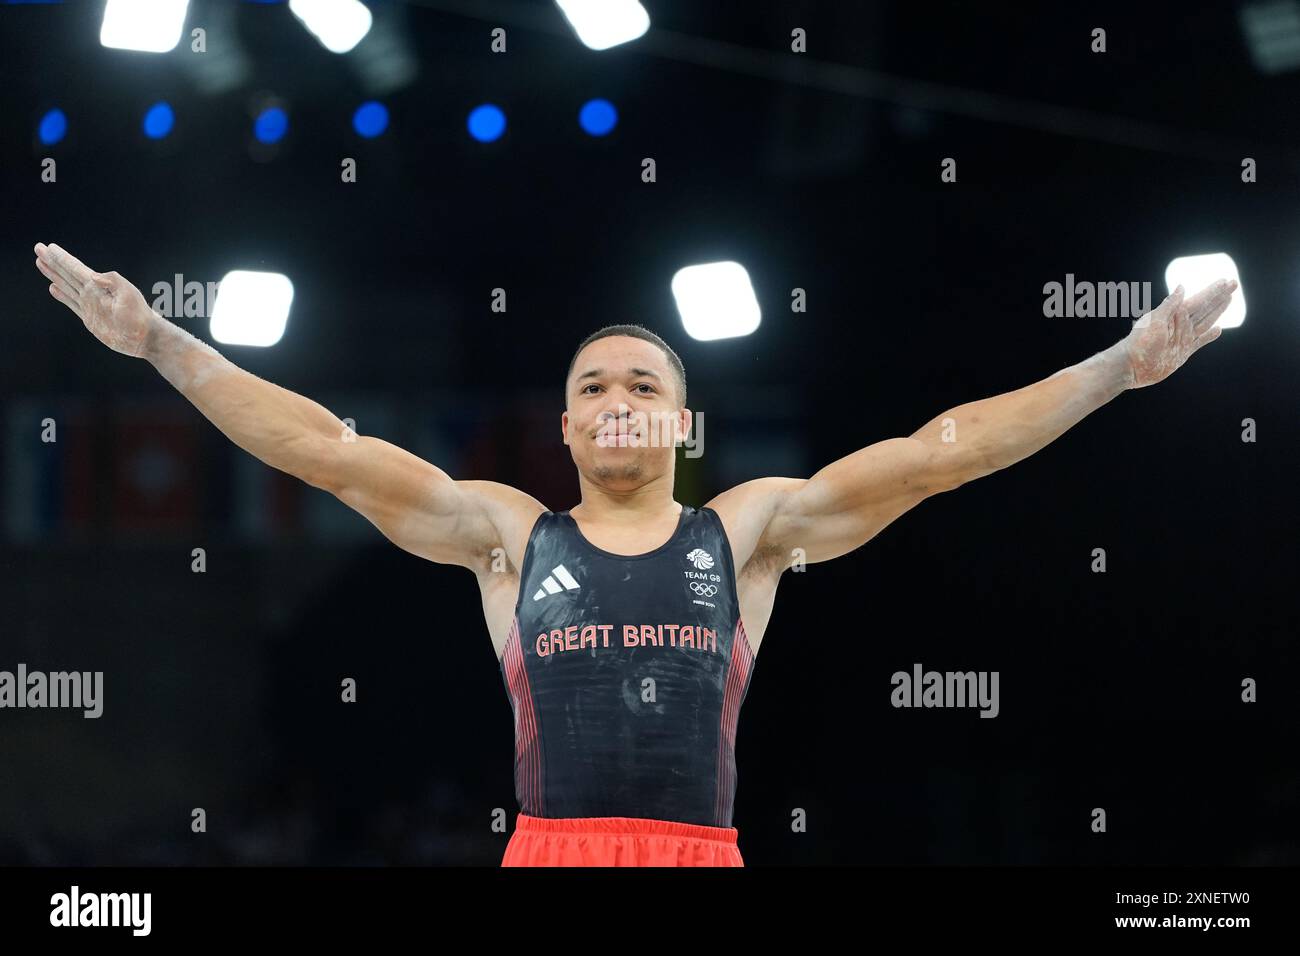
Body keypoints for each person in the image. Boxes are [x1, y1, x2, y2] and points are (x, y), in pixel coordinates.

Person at [33, 242, 1237, 866]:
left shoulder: (752, 530)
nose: (617, 398)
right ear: (563, 426)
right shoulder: (507, 535)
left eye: (644, 383)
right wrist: (161, 347)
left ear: (682, 422)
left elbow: (939, 452)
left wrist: (1112, 369)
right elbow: (325, 452)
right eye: (591, 386)